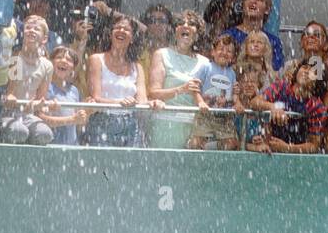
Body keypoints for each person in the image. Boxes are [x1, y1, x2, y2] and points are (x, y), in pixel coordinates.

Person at [87, 13, 162, 147]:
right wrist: (119, 102)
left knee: (131, 166)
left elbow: (142, 100)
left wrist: (152, 103)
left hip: (131, 123)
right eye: (118, 28)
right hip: (102, 121)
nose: (121, 31)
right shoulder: (96, 60)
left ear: (132, 38)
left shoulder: (137, 67)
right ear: (110, 34)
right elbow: (95, 98)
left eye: (126, 29)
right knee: (101, 166)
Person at [147, 11, 209, 149]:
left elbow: (209, 97)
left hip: (193, 128)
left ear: (197, 33)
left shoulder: (205, 63)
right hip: (165, 125)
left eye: (191, 24)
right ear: (174, 31)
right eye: (180, 24)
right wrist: (181, 89)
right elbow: (153, 92)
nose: (185, 26)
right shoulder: (162, 54)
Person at [249, 59, 328, 154]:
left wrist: (287, 148)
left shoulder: (317, 107)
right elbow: (254, 102)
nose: (307, 72)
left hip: (297, 155)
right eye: (304, 67)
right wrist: (273, 107)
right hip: (269, 147)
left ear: (318, 80)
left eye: (313, 71)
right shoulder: (281, 87)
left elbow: (314, 146)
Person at [1, 16, 56, 145]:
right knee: (19, 132)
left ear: (44, 38)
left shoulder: (47, 66)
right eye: (28, 28)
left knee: (45, 134)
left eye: (36, 29)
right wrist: (14, 101)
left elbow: (41, 98)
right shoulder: (16, 58)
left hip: (29, 115)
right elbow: (10, 93)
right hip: (9, 113)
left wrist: (43, 105)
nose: (31, 31)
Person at [188, 33, 240, 150]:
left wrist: (237, 102)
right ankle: (194, 144)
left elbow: (234, 92)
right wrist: (200, 102)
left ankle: (209, 146)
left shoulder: (231, 73)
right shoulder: (207, 67)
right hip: (205, 114)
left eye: (229, 51)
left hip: (224, 117)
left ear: (233, 57)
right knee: (196, 143)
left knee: (232, 144)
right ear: (213, 52)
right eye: (221, 49)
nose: (224, 53)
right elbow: (194, 87)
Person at [37, 45, 87, 146]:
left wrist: (87, 113)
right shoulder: (43, 86)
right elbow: (38, 118)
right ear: (50, 63)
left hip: (71, 147)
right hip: (48, 146)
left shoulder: (74, 91)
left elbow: (78, 123)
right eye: (59, 57)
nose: (63, 61)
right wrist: (71, 120)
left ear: (73, 69)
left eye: (69, 60)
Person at [226, 0, 285, 70]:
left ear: (267, 9)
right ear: (243, 5)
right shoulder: (229, 36)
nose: (253, 1)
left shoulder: (273, 41)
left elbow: (277, 72)